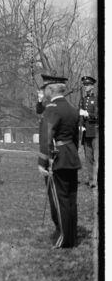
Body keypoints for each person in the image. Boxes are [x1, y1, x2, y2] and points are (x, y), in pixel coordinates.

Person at [38, 73, 81, 248]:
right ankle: (71, 236)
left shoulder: (52, 109)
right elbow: (76, 137)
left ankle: (64, 239)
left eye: (45, 89)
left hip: (57, 159)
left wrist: (42, 162)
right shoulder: (72, 108)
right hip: (71, 156)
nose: (44, 92)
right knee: (70, 199)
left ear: (50, 89)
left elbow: (46, 137)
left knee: (59, 199)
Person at [80, 76, 98, 189]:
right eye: (84, 85)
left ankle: (96, 179)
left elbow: (98, 115)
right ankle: (91, 179)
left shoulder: (96, 99)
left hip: (95, 131)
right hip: (86, 132)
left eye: (87, 85)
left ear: (92, 86)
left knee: (96, 157)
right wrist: (81, 125)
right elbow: (81, 116)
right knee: (88, 157)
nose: (85, 86)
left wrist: (88, 115)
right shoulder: (82, 100)